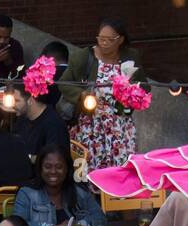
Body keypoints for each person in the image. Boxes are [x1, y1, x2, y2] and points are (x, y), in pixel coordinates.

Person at [59, 18, 145, 174]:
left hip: (120, 126)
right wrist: (82, 95)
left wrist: (133, 92)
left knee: (120, 171)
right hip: (90, 125)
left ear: (121, 40)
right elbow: (64, 83)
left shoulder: (131, 57)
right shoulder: (84, 56)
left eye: (109, 40)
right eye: (101, 39)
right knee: (89, 170)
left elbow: (144, 86)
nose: (104, 43)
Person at [12, 144, 105, 226]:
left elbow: (100, 218)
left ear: (67, 169)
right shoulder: (26, 193)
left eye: (59, 167)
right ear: (40, 169)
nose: (53, 172)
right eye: (47, 167)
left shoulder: (79, 192)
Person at [11, 84, 71, 162]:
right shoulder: (23, 118)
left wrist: (25, 157)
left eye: (17, 100)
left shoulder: (54, 125)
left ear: (30, 101)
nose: (13, 105)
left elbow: (53, 160)